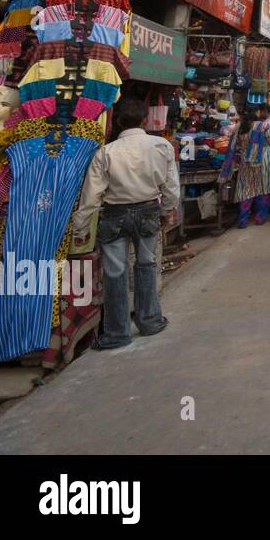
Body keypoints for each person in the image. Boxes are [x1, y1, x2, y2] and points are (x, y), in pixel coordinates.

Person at [73, 97, 177, 351]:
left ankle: (117, 332)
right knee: (146, 264)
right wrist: (166, 211)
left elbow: (91, 195)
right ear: (145, 120)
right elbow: (171, 187)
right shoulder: (161, 145)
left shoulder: (106, 152)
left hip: (114, 214)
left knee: (115, 273)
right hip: (147, 211)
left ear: (118, 122)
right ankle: (150, 320)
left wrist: (80, 227)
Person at [236, 110, 270, 227]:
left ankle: (243, 220)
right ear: (256, 115)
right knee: (263, 189)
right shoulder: (263, 125)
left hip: (246, 162)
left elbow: (238, 144)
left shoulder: (240, 127)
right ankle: (259, 218)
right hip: (262, 162)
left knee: (246, 191)